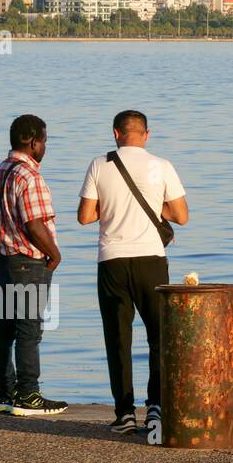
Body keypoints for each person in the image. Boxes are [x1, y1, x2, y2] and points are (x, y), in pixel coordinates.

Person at [77, 110, 189, 434]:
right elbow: (181, 216)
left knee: (118, 338)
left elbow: (85, 216)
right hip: (151, 261)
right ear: (147, 134)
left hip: (112, 261)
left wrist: (109, 206)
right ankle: (156, 409)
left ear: (115, 133)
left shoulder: (100, 164)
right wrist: (156, 205)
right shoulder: (162, 166)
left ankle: (125, 413)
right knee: (159, 336)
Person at [0, 115, 67, 417]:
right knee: (29, 329)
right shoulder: (29, 176)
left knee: (5, 327)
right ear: (32, 141)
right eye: (44, 141)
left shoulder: (0, 171)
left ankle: (3, 393)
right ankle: (29, 395)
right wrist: (54, 253)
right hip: (28, 261)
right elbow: (34, 224)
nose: (45, 146)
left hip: (5, 260)